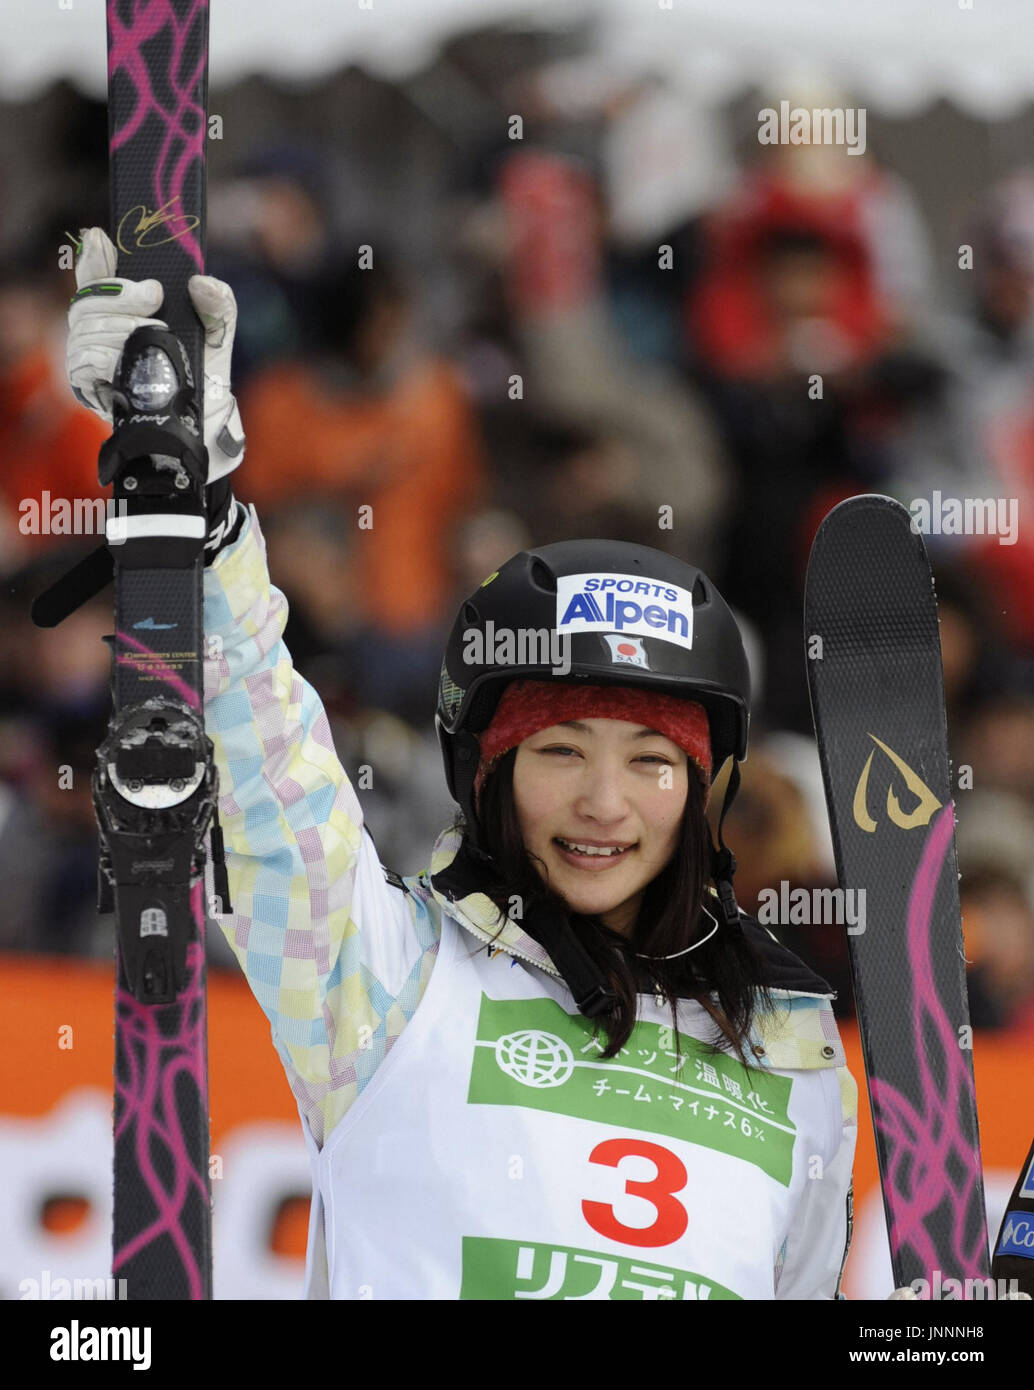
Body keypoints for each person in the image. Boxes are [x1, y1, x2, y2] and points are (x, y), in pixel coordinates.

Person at [66, 226, 857, 1302]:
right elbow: (273, 771)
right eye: (559, 749)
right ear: (486, 771)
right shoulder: (382, 977)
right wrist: (191, 515)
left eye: (649, 762)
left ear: (704, 792)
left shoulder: (791, 1057)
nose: (602, 801)